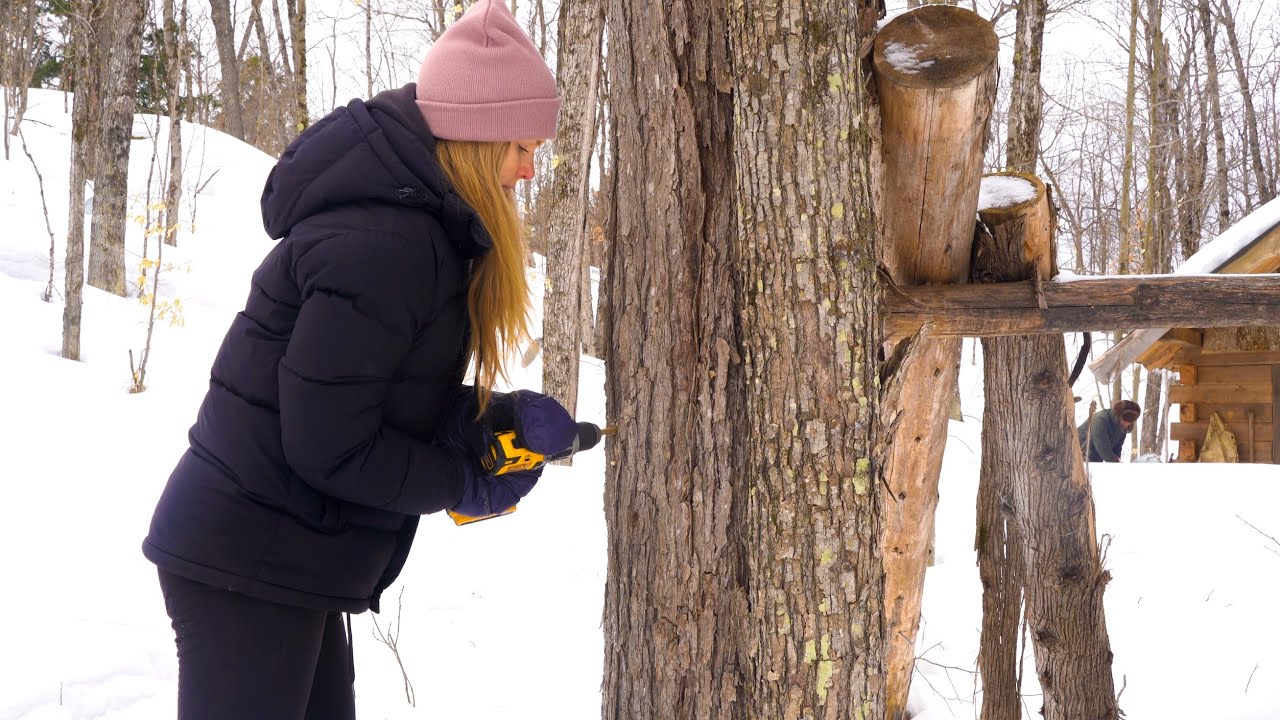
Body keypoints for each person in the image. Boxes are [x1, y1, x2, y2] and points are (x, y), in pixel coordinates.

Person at [141, 2, 577, 717]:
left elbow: (369, 393)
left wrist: (484, 421)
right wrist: (462, 480)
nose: (528, 171)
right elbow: (330, 447)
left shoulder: (417, 233)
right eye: (521, 148)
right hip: (249, 555)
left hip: (288, 554)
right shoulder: (387, 247)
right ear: (472, 139)